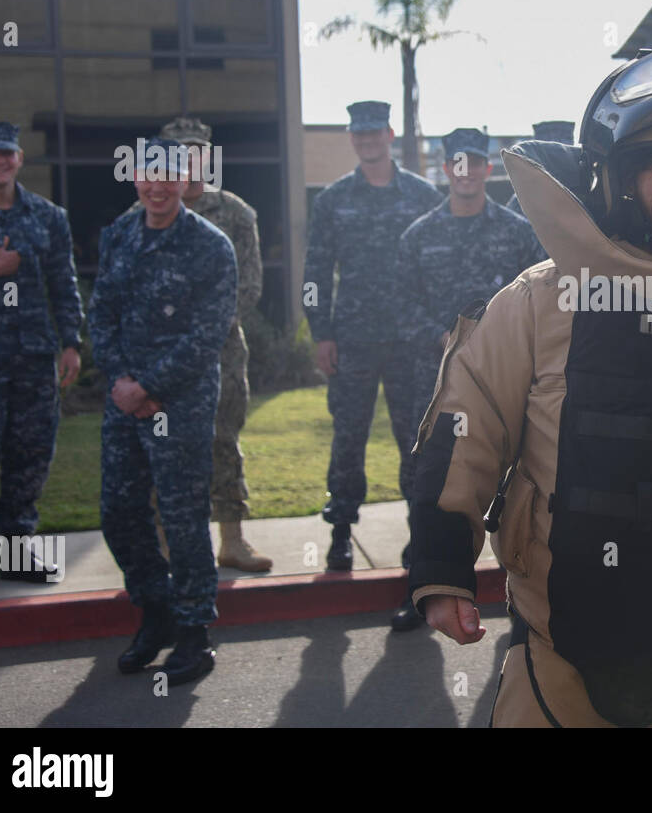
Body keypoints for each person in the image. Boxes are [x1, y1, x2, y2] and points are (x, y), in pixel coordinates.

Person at [407, 50, 652, 727]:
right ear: (620, 180)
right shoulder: (540, 301)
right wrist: (442, 564)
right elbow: (465, 424)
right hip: (557, 651)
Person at [89, 138, 237, 684]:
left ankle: (195, 635)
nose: (157, 185)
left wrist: (149, 386)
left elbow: (208, 334)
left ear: (186, 180)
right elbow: (100, 312)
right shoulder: (120, 235)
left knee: (183, 518)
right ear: (135, 179)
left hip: (182, 400)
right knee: (119, 514)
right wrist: (123, 382)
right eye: (148, 175)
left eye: (169, 175)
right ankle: (157, 614)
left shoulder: (210, 245)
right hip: (124, 400)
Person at [390, 127, 546, 631]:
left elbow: (539, 299)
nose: (465, 171)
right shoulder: (418, 235)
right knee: (426, 476)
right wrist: (442, 339)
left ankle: (518, 586)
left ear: (486, 169)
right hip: (435, 380)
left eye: (474, 162)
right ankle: (426, 582)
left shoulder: (518, 231)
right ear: (444, 169)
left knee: (519, 472)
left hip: (508, 379)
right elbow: (401, 305)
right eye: (456, 163)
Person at [302, 101, 441, 572]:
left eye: (374, 132)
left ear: (389, 133)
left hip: (411, 342)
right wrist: (321, 332)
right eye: (359, 134)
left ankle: (417, 535)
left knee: (414, 441)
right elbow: (315, 272)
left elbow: (436, 267)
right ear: (352, 138)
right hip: (353, 338)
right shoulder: (333, 199)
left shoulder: (424, 195)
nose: (367, 140)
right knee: (347, 438)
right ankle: (340, 532)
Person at [132, 116, 271, 573]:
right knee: (162, 443)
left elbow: (249, 285)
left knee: (223, 442)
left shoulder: (236, 212)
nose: (189, 160)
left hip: (222, 354)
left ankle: (232, 540)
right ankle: (163, 545)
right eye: (179, 152)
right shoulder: (140, 217)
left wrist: (205, 331)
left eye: (197, 151)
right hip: (161, 360)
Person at [0, 122, 82, 600]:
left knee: (30, 457)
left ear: (19, 158)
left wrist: (71, 341)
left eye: (6, 153)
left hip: (34, 357)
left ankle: (15, 552)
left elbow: (63, 283)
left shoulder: (48, 216)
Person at [505, 120, 574, 218]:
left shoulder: (586, 193)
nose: (556, 164)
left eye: (561, 155)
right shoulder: (522, 200)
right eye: (549, 157)